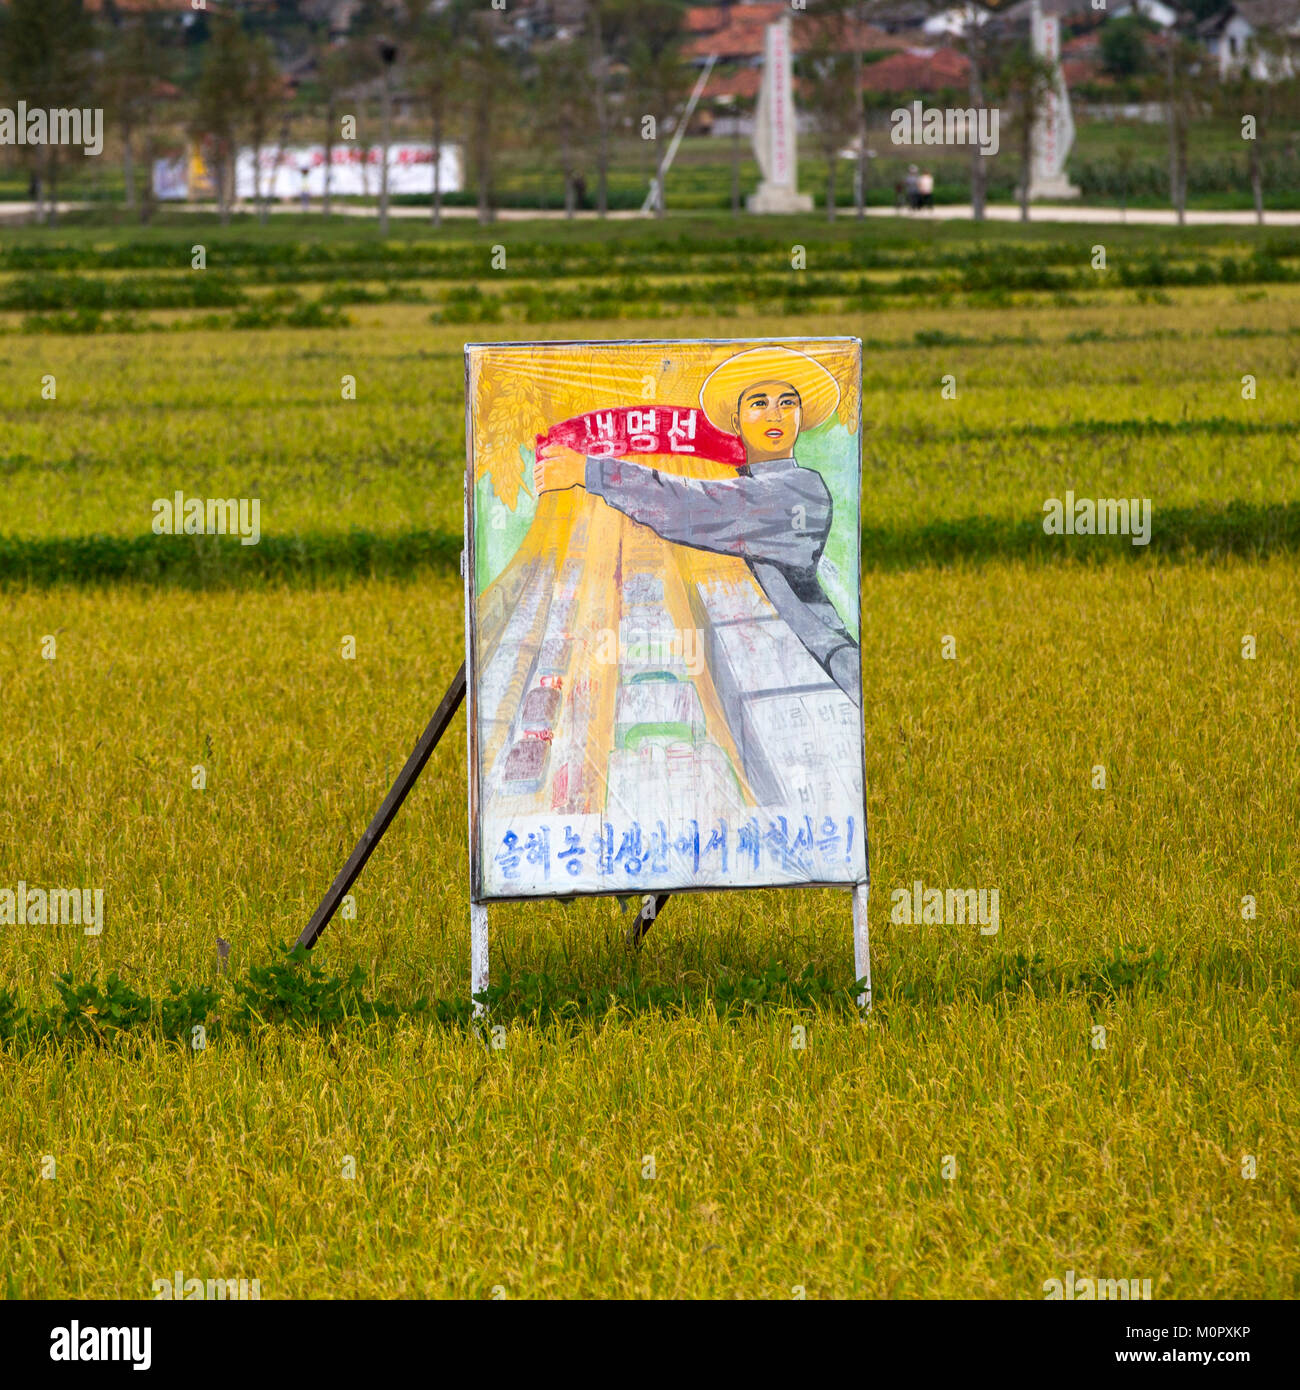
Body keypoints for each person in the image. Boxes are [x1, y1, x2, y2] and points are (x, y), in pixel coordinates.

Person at [533, 345, 861, 706]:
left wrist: (588, 471)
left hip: (825, 678)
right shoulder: (751, 484)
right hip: (784, 677)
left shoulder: (799, 492)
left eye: (787, 403)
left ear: (800, 416)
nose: (776, 415)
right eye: (759, 403)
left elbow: (689, 505)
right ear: (736, 421)